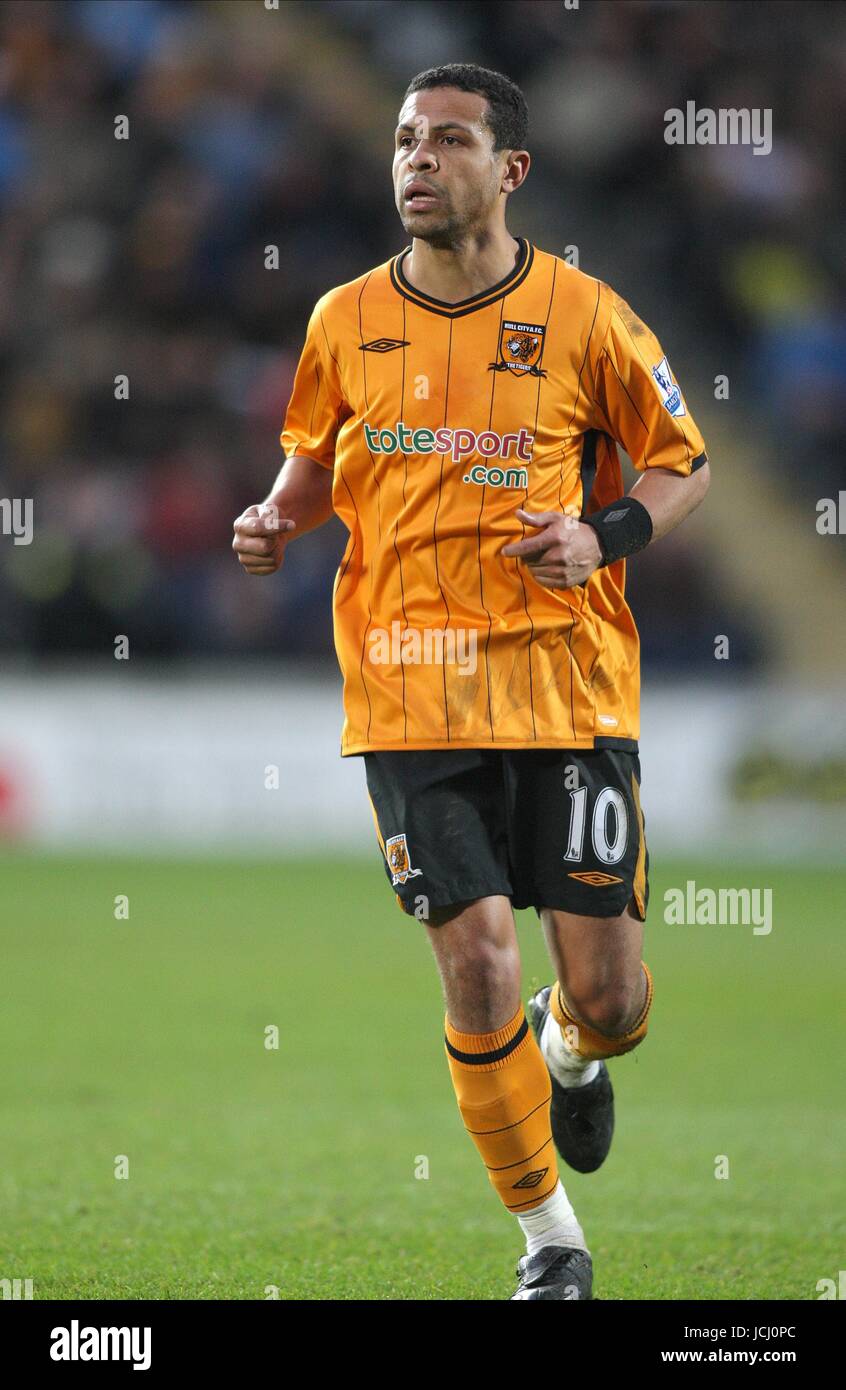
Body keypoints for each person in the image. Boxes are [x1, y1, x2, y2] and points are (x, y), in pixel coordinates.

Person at [232, 63, 710, 1301]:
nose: (417, 160)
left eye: (449, 139)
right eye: (404, 139)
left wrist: (605, 535)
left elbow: (680, 462)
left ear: (512, 170)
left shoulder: (588, 316)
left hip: (568, 687)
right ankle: (551, 1244)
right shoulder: (342, 318)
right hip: (408, 689)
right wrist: (278, 518)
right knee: (477, 957)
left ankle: (575, 1049)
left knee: (610, 995)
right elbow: (312, 455)